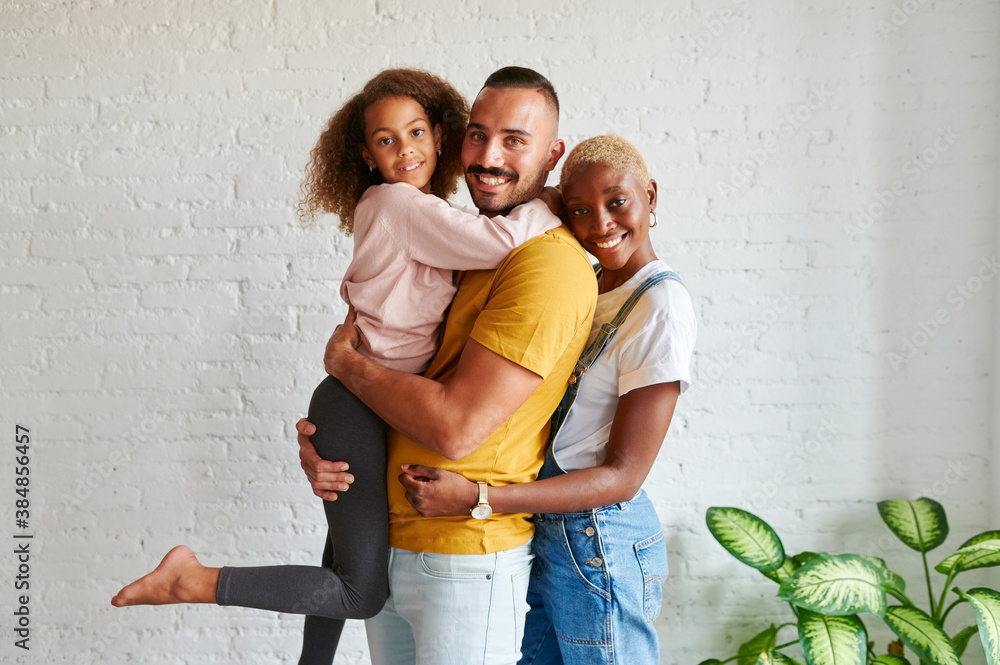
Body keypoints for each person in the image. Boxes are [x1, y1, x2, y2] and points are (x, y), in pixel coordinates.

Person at [109, 67, 565, 665]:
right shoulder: (400, 204)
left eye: (417, 133)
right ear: (365, 154)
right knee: (360, 588)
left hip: (365, 400)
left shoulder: (422, 209)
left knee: (345, 557)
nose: (405, 150)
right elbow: (499, 242)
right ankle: (194, 579)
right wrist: (556, 201)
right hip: (356, 400)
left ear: (438, 136)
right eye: (385, 139)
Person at [304, 135, 697, 663]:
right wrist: (338, 441)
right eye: (580, 209)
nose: (600, 223)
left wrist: (480, 497)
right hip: (551, 534)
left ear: (651, 194)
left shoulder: (660, 305)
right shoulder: (595, 283)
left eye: (618, 202)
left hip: (601, 539)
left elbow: (625, 476)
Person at [301, 66, 598, 665]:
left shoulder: (544, 263)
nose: (489, 156)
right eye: (479, 134)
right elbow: (408, 376)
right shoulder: (464, 243)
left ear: (552, 155)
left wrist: (346, 367)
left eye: (515, 140)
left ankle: (206, 584)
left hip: (466, 559)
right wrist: (336, 453)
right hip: (399, 540)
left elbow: (455, 426)